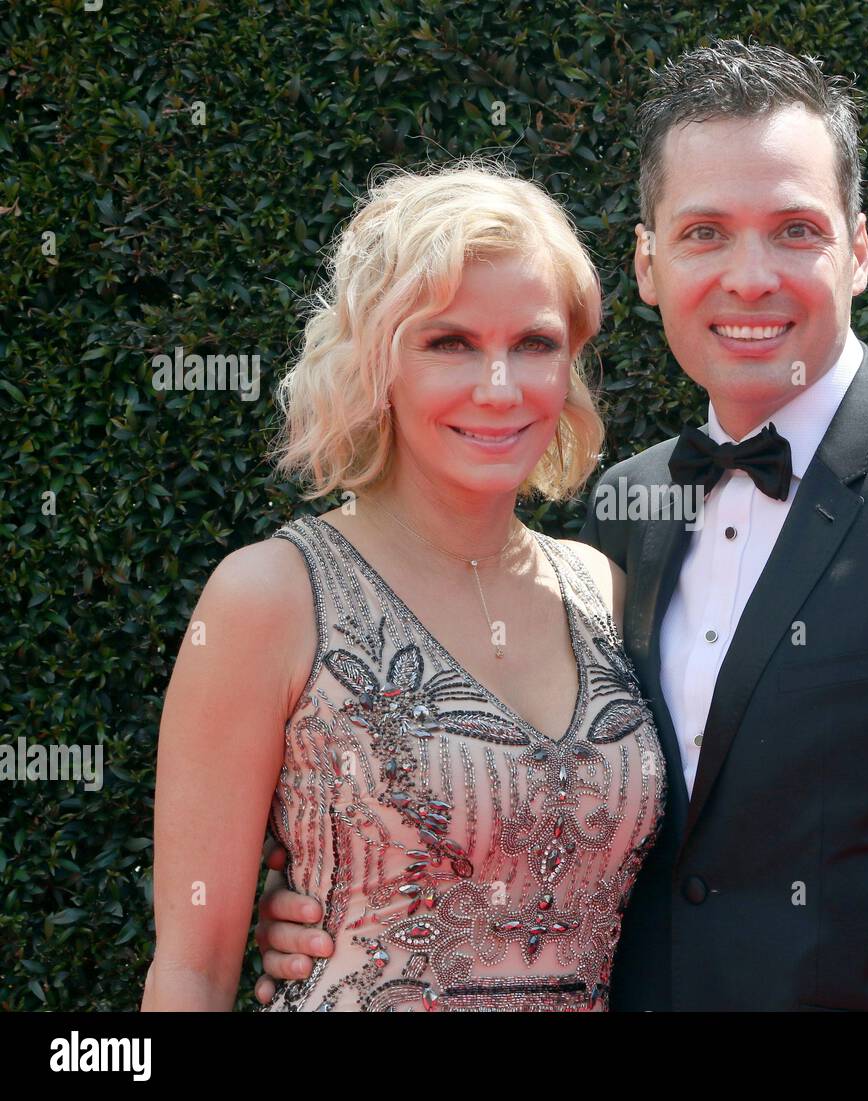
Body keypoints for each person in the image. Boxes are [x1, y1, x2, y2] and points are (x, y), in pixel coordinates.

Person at [254, 40, 868, 1011]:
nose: (749, 277)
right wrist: (334, 898)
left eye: (794, 230)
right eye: (705, 233)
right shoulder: (622, 511)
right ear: (648, 263)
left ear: (859, 251)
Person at [142, 161, 665, 1011]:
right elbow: (190, 971)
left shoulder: (602, 588)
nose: (497, 388)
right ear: (378, 363)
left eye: (533, 343)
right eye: (449, 342)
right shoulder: (271, 597)